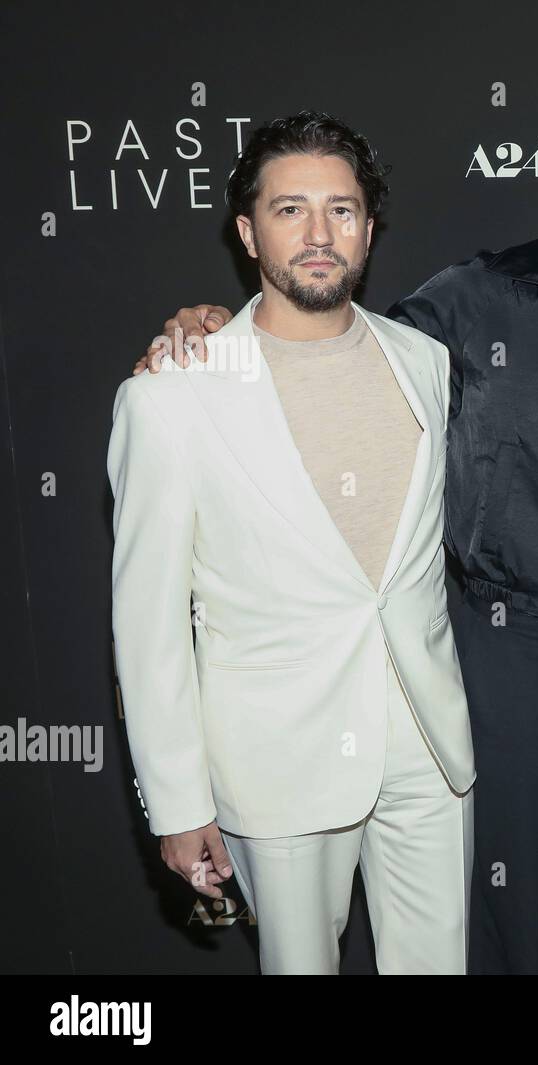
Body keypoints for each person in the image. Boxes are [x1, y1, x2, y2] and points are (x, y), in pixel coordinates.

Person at [133, 84, 538, 974]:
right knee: (523, 928)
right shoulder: (476, 303)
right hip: (522, 661)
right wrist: (210, 324)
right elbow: (325, 335)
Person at [108, 112, 474, 974]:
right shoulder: (174, 393)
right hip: (277, 758)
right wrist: (176, 803)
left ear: (370, 228)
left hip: (426, 743)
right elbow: (148, 622)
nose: (319, 234)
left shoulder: (425, 359)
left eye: (342, 211)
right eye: (290, 210)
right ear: (246, 231)